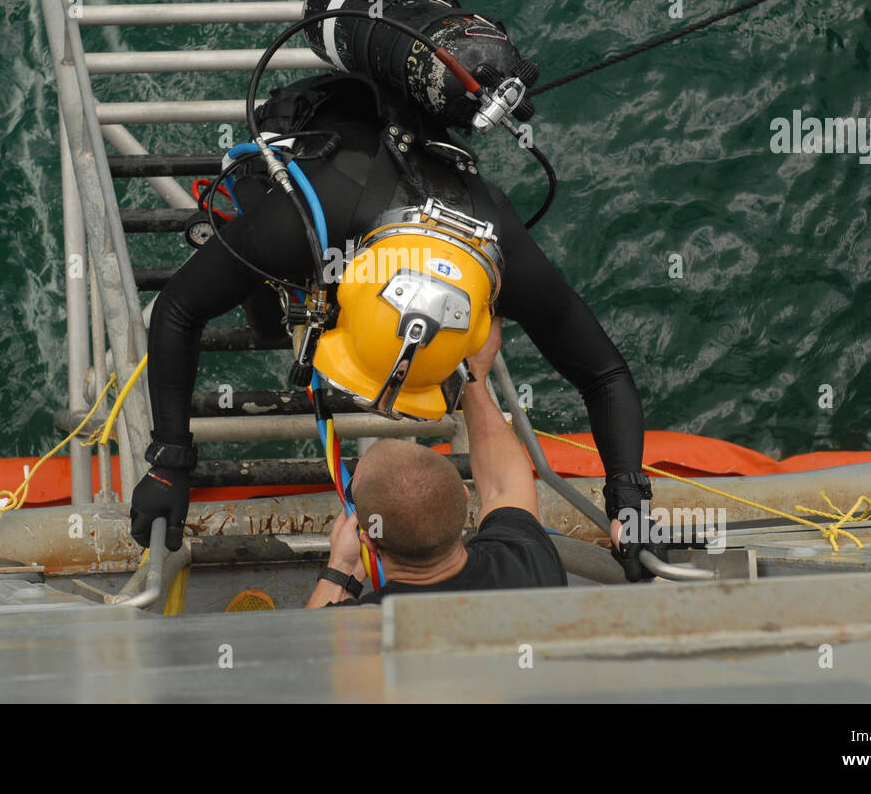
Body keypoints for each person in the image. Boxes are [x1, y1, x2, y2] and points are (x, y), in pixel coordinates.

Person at [129, 71, 657, 581]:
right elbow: (180, 308)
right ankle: (265, 303)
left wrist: (629, 497)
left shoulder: (501, 244)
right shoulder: (298, 223)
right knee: (268, 317)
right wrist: (168, 460)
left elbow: (604, 375)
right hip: (316, 137)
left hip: (397, 177)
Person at [306, 318, 565, 606]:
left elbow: (304, 647)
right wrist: (472, 378)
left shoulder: (362, 626)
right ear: (465, 499)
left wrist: (341, 571)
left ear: (368, 543)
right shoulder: (528, 562)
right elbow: (504, 486)